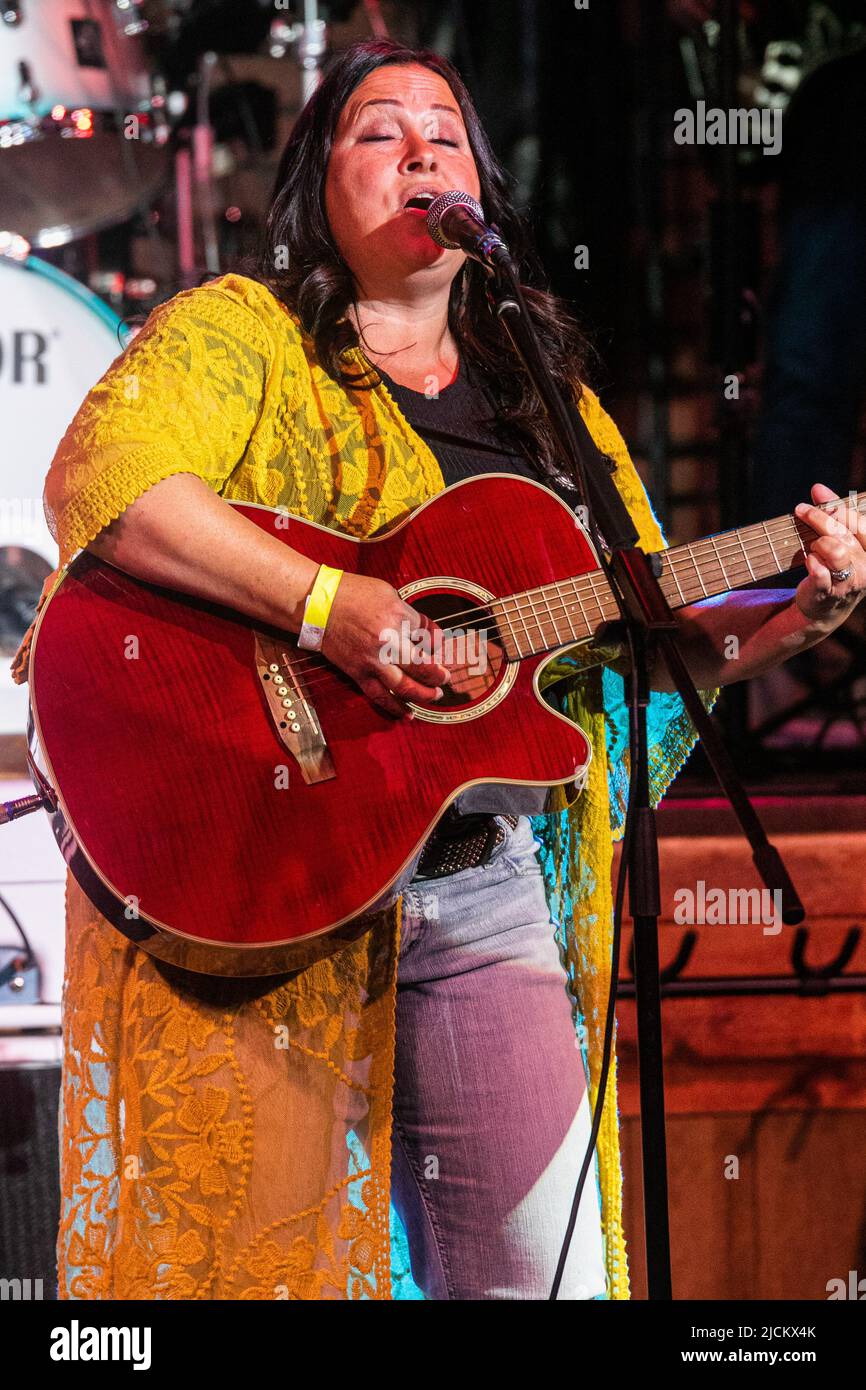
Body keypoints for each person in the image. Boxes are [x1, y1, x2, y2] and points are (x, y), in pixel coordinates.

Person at [11, 38, 866, 1302]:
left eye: (445, 134)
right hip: (265, 863)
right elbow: (108, 485)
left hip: (481, 894)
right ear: (319, 186)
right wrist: (328, 604)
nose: (419, 149)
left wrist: (794, 614)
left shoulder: (541, 396)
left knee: (549, 1284)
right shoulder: (240, 333)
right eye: (378, 131)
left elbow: (638, 641)